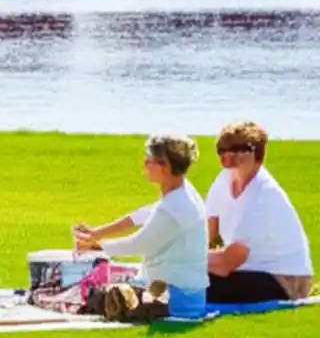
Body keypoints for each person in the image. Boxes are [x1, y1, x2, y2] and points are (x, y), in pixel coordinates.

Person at [73, 134, 208, 320]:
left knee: (90, 297)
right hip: (179, 291)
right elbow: (143, 215)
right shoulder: (182, 191)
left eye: (150, 159)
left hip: (177, 298)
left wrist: (96, 246)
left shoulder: (177, 206)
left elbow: (140, 244)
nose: (145, 163)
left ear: (165, 166)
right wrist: (97, 232)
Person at [205, 121, 313, 303]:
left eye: (239, 149)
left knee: (196, 285)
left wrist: (180, 262)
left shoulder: (264, 194)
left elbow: (228, 262)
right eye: (222, 149)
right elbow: (208, 229)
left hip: (284, 280)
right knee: (188, 279)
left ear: (257, 154)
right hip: (245, 269)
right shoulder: (225, 179)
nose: (228, 155)